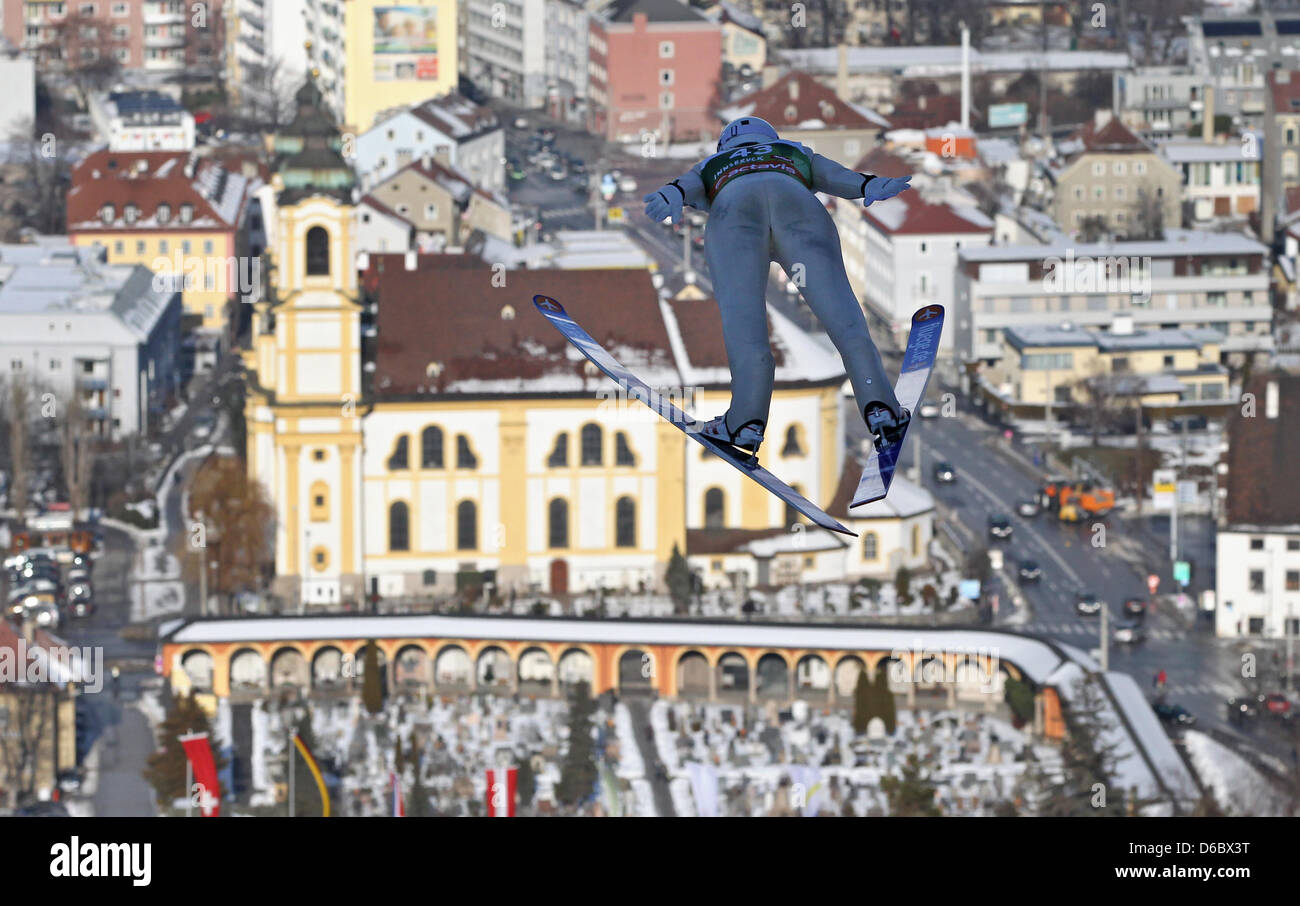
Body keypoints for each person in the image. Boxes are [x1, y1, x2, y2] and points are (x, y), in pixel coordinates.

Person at [643, 116, 913, 456]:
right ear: (768, 137)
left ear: (725, 144)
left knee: (747, 329)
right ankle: (881, 410)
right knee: (846, 323)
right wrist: (867, 186)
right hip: (799, 210)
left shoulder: (712, 163)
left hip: (734, 217)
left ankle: (745, 424)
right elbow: (833, 176)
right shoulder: (791, 151)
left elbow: (684, 186)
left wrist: (671, 195)